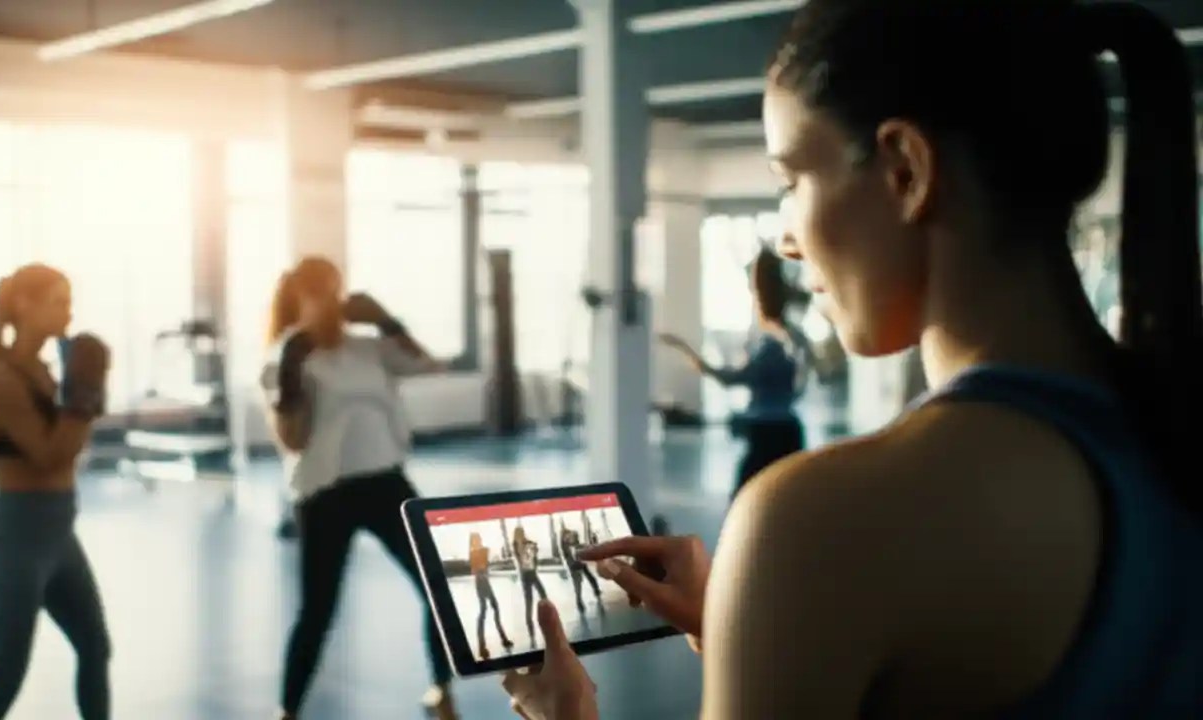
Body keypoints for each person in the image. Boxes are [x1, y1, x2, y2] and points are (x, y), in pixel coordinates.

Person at [502, 1, 1203, 718]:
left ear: (905, 170)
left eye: (791, 179)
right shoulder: (1170, 431)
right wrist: (759, 639)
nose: (786, 241)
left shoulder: (818, 523)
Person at [261, 256, 457, 720]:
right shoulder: (287, 355)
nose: (332, 302)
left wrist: (386, 319)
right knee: (318, 611)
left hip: (387, 482)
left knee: (439, 584)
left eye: (337, 290)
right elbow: (292, 440)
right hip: (326, 492)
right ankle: (287, 711)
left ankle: (441, 691)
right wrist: (291, 376)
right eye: (320, 293)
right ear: (299, 300)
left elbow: (428, 365)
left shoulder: (367, 348)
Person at [0, 264, 112, 720]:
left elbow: (71, 448)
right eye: (59, 301)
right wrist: (83, 396)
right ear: (25, 305)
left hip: (59, 537)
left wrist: (83, 392)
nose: (69, 311)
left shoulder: (45, 372)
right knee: (5, 680)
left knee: (95, 648)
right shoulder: (2, 378)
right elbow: (51, 456)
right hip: (19, 545)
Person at [661, 248, 811, 498]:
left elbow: (730, 379)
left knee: (745, 503)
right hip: (786, 430)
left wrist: (685, 350)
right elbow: (798, 386)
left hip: (767, 434)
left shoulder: (769, 342)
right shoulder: (794, 337)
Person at [468, 532, 514, 660]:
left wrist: (482, 567)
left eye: (478, 539)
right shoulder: (474, 553)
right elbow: (474, 569)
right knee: (484, 611)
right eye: (475, 540)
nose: (478, 541)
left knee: (494, 608)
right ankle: (483, 646)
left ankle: (502, 640)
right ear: (472, 542)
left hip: (485, 581)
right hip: (480, 582)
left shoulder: (483, 551)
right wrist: (480, 568)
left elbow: (484, 565)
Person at [511, 526, 549, 645]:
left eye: (522, 533)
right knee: (529, 602)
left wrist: (534, 549)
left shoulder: (528, 543)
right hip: (526, 575)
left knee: (543, 595)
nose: (521, 536)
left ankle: (548, 620)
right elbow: (520, 560)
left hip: (532, 573)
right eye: (520, 534)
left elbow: (534, 551)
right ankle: (531, 634)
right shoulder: (516, 546)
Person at [558, 522, 602, 616]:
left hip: (578, 563)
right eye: (567, 536)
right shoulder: (566, 546)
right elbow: (570, 552)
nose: (570, 537)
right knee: (579, 583)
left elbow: (578, 542)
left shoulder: (572, 543)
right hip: (574, 565)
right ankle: (580, 601)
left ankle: (594, 591)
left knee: (588, 579)